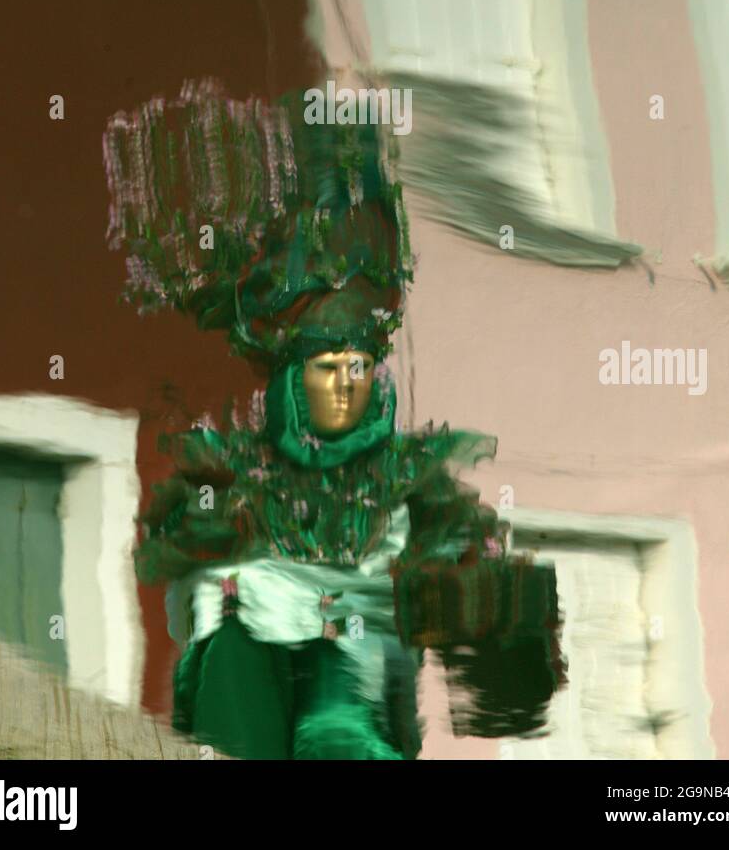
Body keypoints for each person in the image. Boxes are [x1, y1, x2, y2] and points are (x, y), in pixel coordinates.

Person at [104, 81, 564, 759]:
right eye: (327, 369)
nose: (346, 385)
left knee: (341, 718)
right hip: (247, 695)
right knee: (235, 655)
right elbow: (166, 561)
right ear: (295, 377)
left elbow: (488, 593)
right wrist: (229, 548)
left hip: (359, 700)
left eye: (358, 367)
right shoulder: (234, 469)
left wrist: (468, 588)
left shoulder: (413, 476)